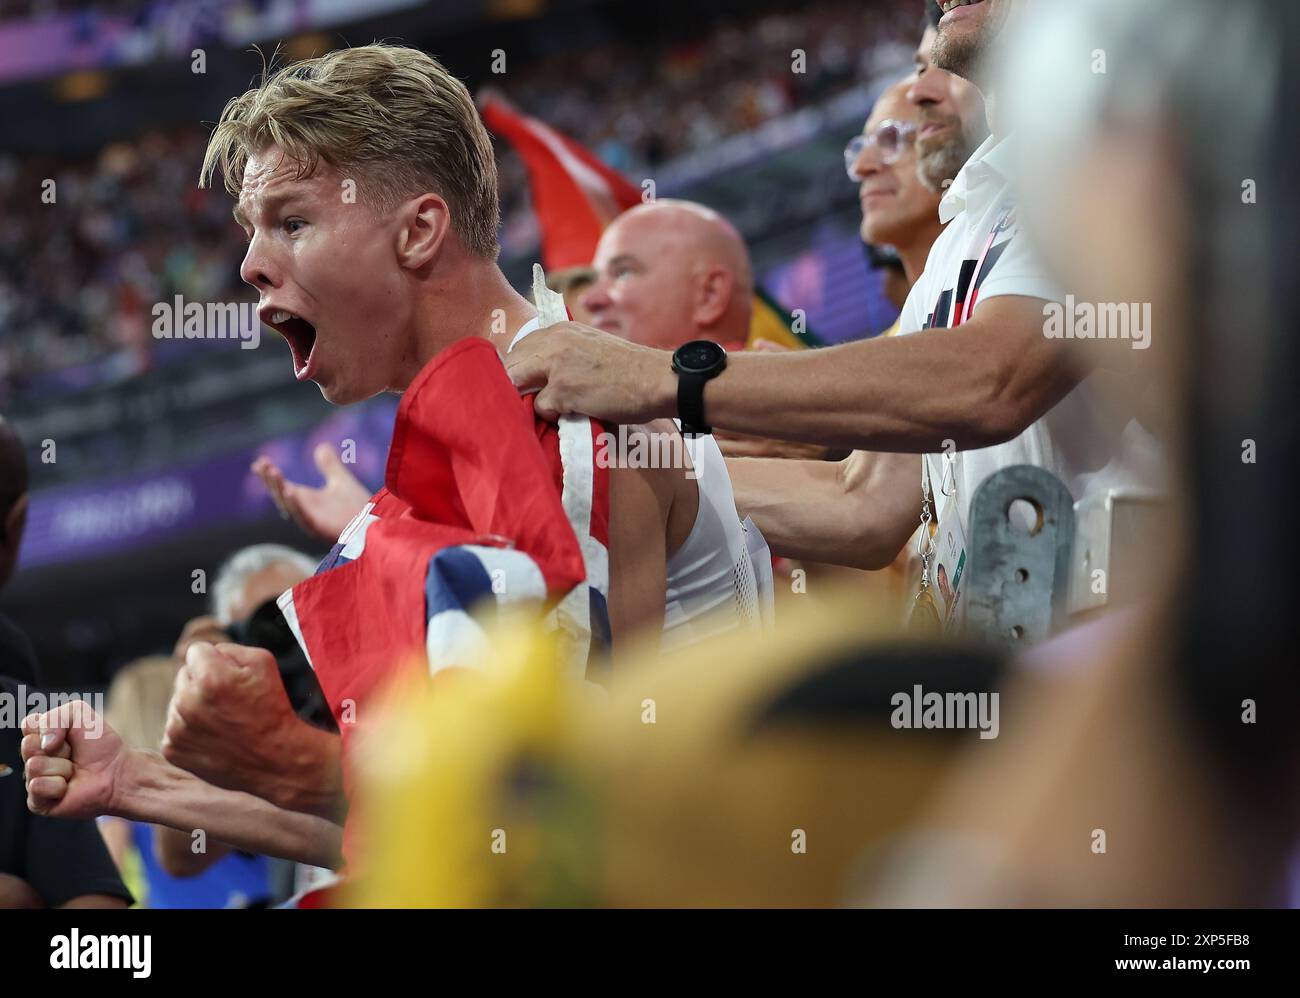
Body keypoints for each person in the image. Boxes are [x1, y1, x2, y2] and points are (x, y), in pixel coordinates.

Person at [22, 44, 760, 867]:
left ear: (418, 232)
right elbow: (394, 839)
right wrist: (143, 785)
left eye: (292, 222)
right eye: (252, 231)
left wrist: (286, 761)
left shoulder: (565, 413)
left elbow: (533, 821)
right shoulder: (473, 435)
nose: (250, 265)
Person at [506, 0, 1159, 603]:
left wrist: (649, 377)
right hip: (1028, 686)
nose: (919, 92)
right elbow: (862, 501)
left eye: (927, 77)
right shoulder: (964, 230)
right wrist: (593, 479)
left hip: (1152, 669)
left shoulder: (1118, 147)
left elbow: (991, 378)